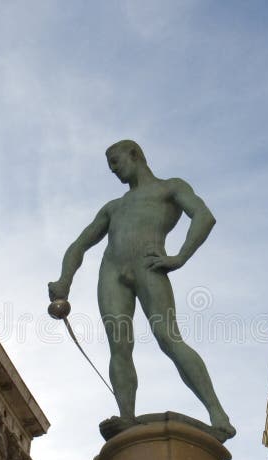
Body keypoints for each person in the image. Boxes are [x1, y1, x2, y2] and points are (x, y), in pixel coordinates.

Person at [48, 140, 235, 438]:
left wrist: (180, 257)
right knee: (119, 345)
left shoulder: (169, 188)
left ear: (134, 155)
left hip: (148, 266)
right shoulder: (114, 207)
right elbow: (79, 245)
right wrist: (64, 281)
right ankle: (127, 417)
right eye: (109, 165)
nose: (112, 169)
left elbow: (203, 216)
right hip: (112, 272)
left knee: (168, 338)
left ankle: (218, 414)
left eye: (115, 160)